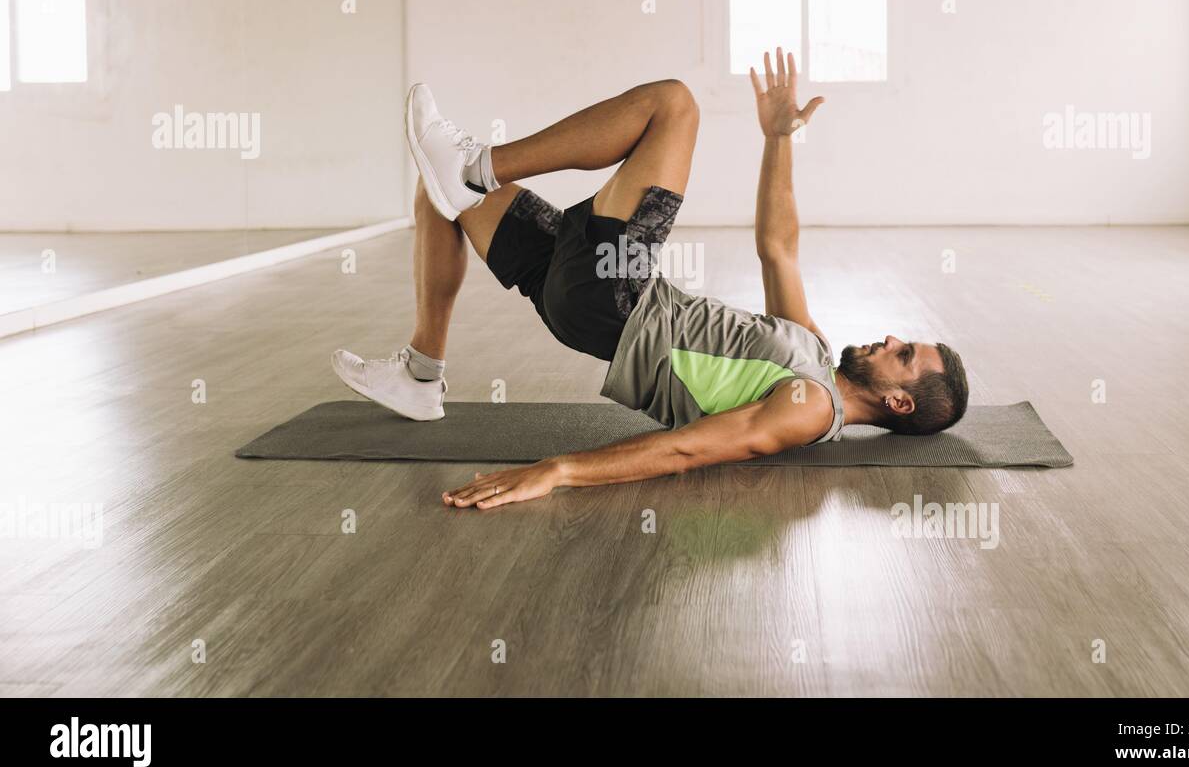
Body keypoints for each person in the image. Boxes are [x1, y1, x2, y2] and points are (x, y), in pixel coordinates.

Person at [332, 48, 967, 510]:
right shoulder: (816, 355)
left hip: (616, 302)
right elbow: (780, 250)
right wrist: (779, 138)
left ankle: (478, 166)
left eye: (904, 356)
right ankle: (421, 371)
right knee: (437, 191)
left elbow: (686, 449)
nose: (889, 340)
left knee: (674, 105)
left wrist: (560, 470)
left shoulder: (811, 409)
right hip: (604, 294)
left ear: (899, 402)